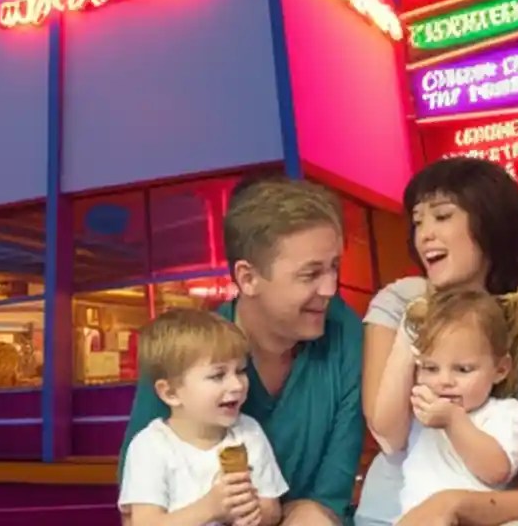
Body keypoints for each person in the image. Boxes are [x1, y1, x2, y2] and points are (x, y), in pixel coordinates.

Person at [357, 157, 518, 526]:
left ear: (490, 223)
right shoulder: (401, 301)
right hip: (390, 516)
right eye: (418, 222)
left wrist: (452, 504)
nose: (425, 234)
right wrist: (413, 326)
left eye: (442, 216)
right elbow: (388, 436)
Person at [120, 176, 364, 525]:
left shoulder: (345, 332)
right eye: (310, 274)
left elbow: (329, 495)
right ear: (248, 278)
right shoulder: (182, 354)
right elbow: (136, 516)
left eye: (334, 267)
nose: (330, 288)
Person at [119, 308, 288, 526]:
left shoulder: (249, 432)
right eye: (218, 375)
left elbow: (272, 509)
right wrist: (211, 509)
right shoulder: (150, 446)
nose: (237, 385)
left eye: (240, 371)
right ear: (171, 393)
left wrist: (252, 514)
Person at [378, 288, 518, 514]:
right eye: (430, 368)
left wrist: (453, 420)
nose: (444, 381)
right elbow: (385, 431)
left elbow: (497, 471)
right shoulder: (420, 413)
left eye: (463, 369)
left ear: (500, 369)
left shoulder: (502, 413)